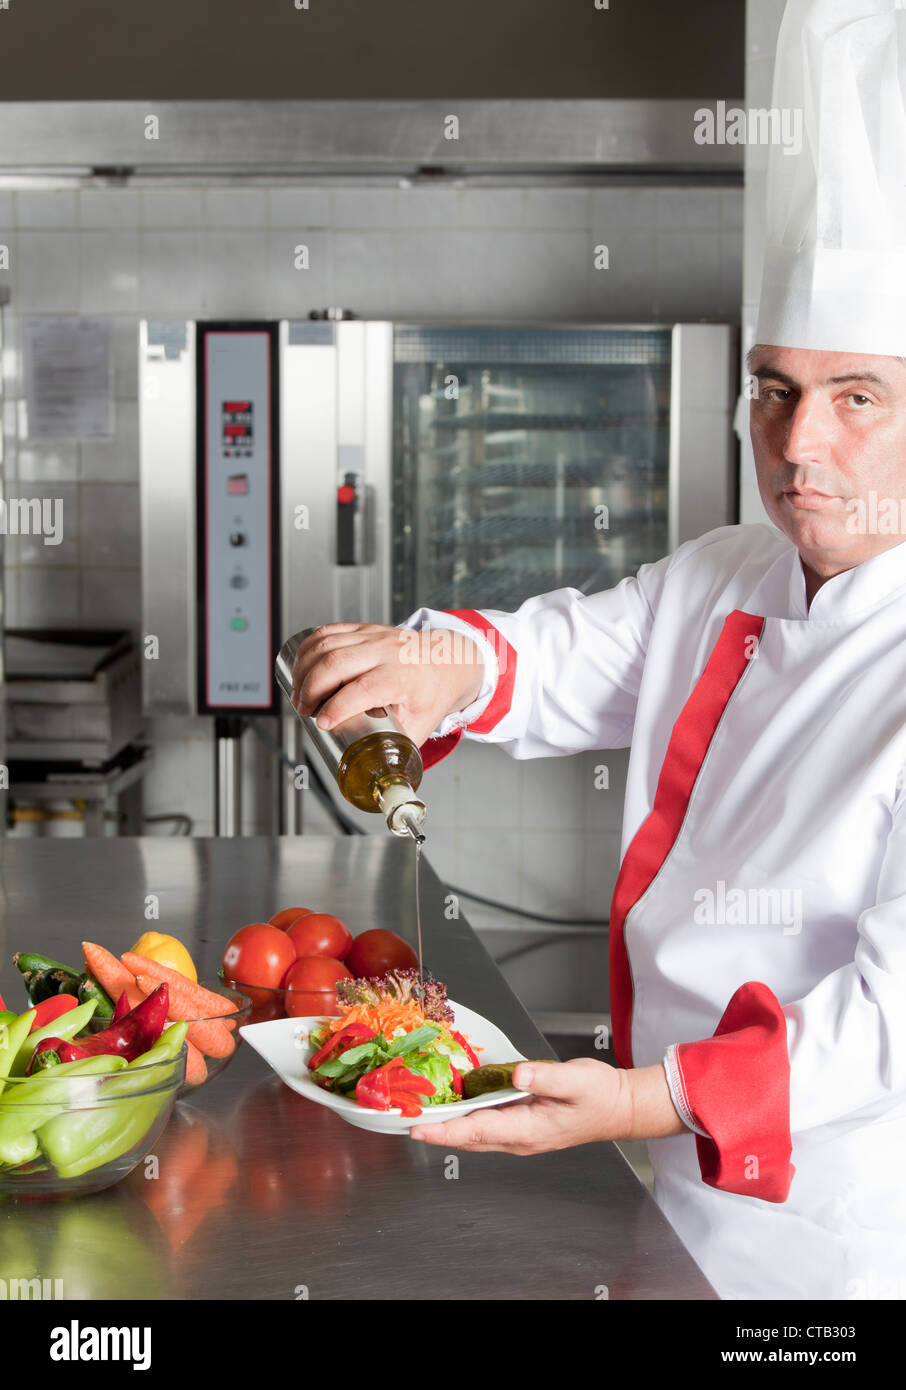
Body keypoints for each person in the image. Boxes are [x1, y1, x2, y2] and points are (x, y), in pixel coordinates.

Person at [292, 0, 906, 1300]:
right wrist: (429, 663)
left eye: (859, 397)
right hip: (676, 1183)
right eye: (774, 388)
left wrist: (635, 1098)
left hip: (838, 1234)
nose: (796, 448)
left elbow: (889, 1029)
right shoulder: (733, 573)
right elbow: (575, 653)